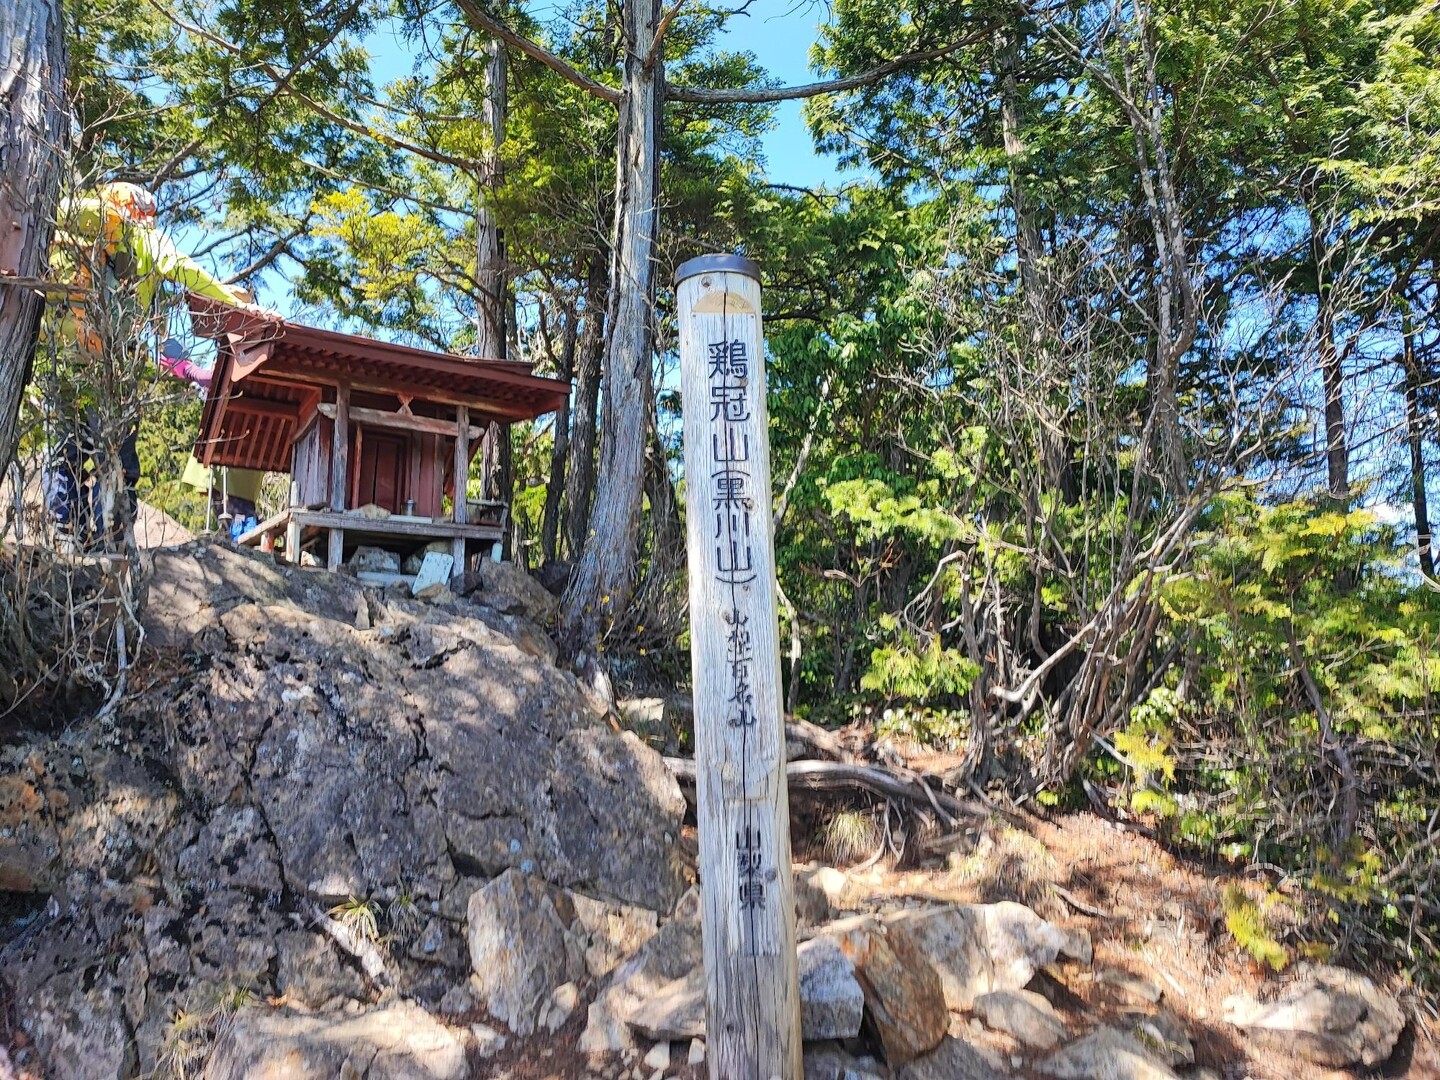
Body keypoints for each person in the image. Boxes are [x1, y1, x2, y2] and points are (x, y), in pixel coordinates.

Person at [42, 181, 276, 544]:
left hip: (63, 361)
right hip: (111, 368)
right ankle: (113, 541)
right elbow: (183, 269)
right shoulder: (140, 237)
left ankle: (62, 536)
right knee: (116, 461)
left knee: (63, 455)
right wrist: (238, 303)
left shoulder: (67, 230)